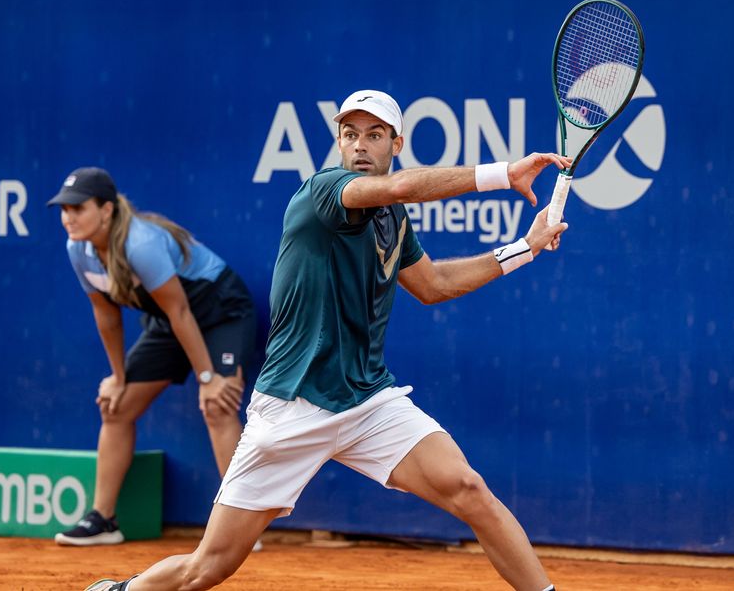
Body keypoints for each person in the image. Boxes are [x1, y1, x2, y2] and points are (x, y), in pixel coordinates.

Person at [85, 90, 572, 591]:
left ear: (396, 142)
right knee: (207, 568)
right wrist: (501, 174)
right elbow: (402, 187)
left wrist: (524, 248)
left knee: (469, 489)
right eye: (350, 134)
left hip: (368, 401)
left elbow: (434, 286)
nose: (361, 145)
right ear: (339, 141)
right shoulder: (326, 191)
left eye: (375, 135)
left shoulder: (393, 221)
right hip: (293, 406)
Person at [48, 167, 257, 547]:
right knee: (116, 406)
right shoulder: (77, 250)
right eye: (64, 209)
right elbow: (107, 315)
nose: (69, 217)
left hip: (220, 311)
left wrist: (208, 379)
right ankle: (104, 520)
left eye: (78, 208)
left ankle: (239, 527)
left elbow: (181, 312)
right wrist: (118, 376)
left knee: (218, 406)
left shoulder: (140, 243)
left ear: (107, 210)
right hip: (169, 321)